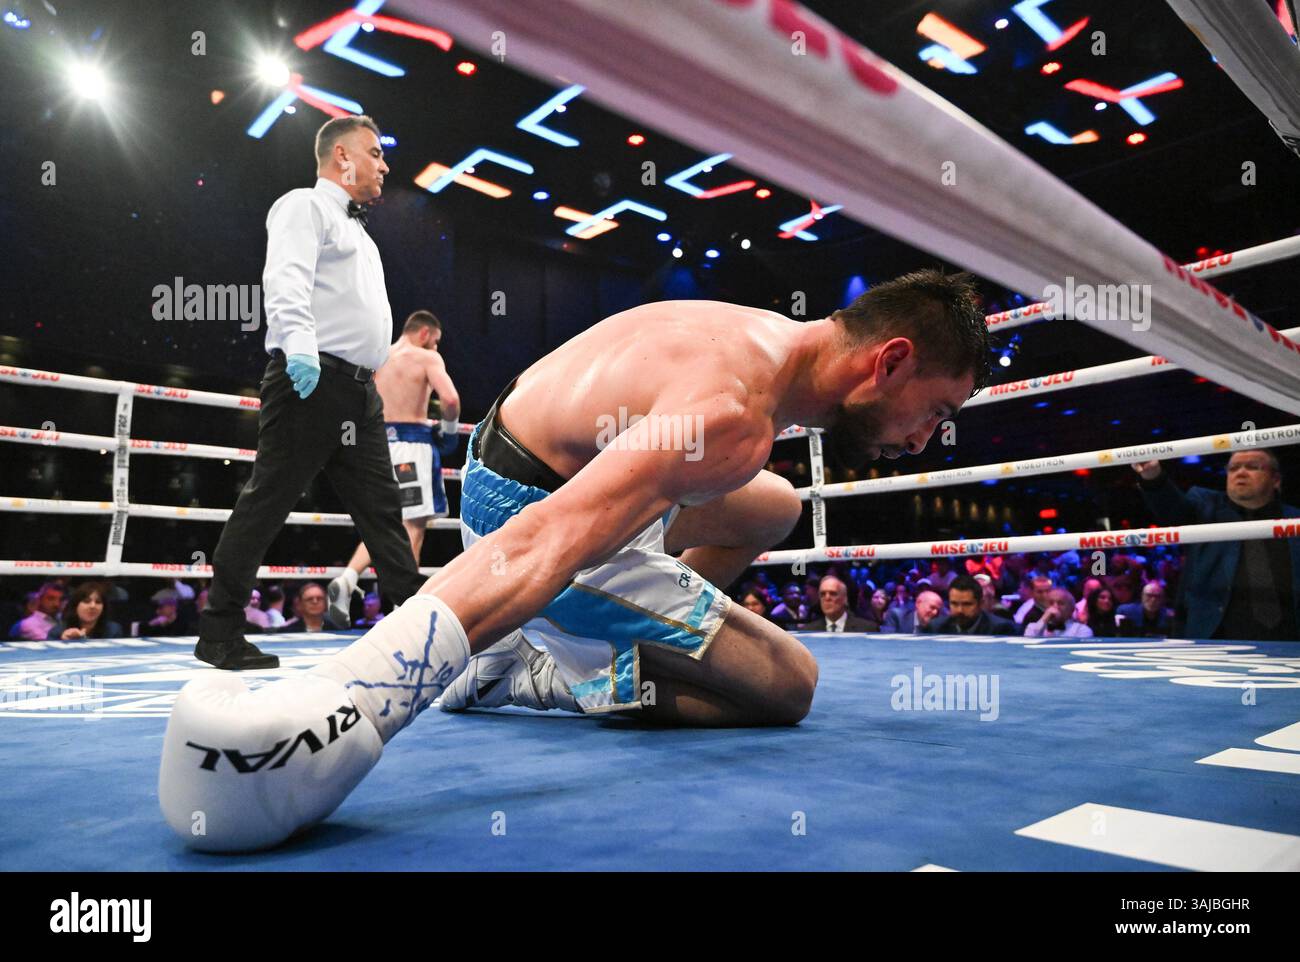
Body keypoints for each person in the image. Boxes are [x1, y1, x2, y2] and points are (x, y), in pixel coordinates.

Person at [161, 268, 991, 850]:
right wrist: (356, 695)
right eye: (935, 410)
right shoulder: (735, 412)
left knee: (776, 504)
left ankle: (619, 632)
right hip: (524, 505)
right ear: (890, 362)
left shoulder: (767, 341)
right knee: (788, 684)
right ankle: (536, 674)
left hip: (516, 457)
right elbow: (549, 538)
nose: (925, 439)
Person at [194, 114, 425, 671]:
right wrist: (298, 345)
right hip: (311, 379)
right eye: (374, 152)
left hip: (359, 393)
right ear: (342, 156)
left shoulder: (362, 235)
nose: (384, 165)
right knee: (267, 502)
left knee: (384, 515)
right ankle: (220, 632)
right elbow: (286, 276)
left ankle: (421, 635)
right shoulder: (305, 204)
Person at [327, 310, 463, 627]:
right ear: (426, 334)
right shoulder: (426, 358)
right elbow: (451, 399)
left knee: (385, 524)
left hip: (376, 444)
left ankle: (348, 578)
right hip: (412, 444)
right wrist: (451, 429)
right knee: (413, 526)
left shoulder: (377, 354)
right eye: (437, 342)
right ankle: (406, 614)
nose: (437, 349)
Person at [1133, 451, 1298, 640]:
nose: (1241, 472)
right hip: (1214, 639)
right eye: (1233, 468)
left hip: (1288, 640)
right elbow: (1172, 509)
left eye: (1252, 467)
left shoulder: (1295, 520)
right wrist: (1153, 476)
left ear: (1275, 479)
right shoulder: (1205, 507)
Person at [927, 575, 1018, 635]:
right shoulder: (936, 627)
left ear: (980, 604)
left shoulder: (1000, 629)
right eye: (954, 604)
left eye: (967, 604)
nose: (960, 610)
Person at [47, 581, 123, 640]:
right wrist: (63, 643)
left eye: (98, 602)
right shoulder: (57, 632)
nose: (93, 606)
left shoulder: (113, 630)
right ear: (75, 605)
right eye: (86, 601)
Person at [801, 575, 877, 632]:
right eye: (823, 594)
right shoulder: (808, 631)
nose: (827, 598)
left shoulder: (867, 629)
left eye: (833, 593)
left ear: (845, 598)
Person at [1023, 588, 1093, 638]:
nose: (1055, 607)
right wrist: (1044, 619)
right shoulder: (1032, 627)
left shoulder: (1082, 630)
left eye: (1061, 603)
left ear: (1071, 610)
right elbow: (1028, 644)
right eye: (1051, 603)